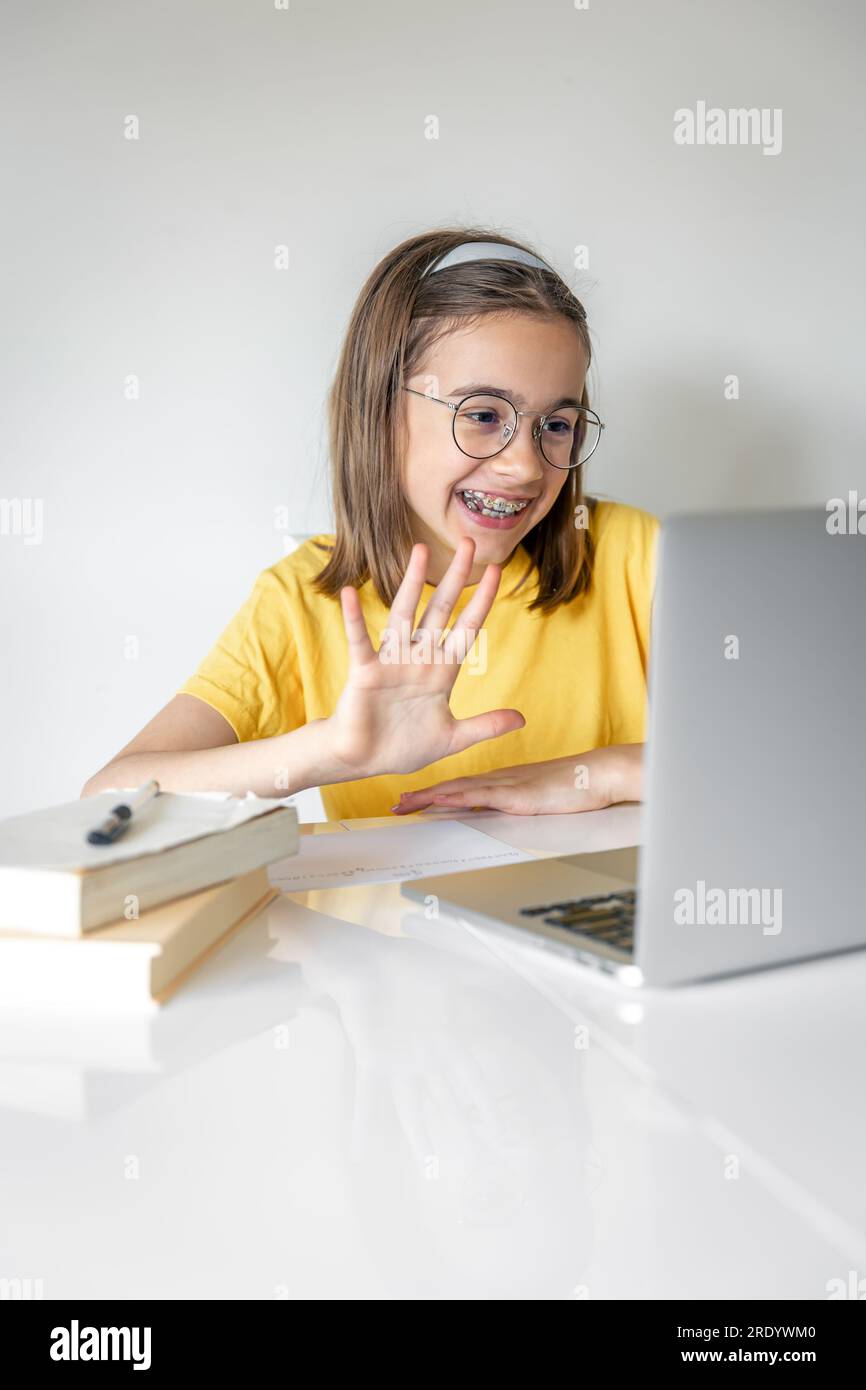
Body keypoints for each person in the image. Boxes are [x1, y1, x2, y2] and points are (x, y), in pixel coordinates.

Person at [82, 229, 658, 818]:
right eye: (483, 415)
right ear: (381, 413)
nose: (524, 466)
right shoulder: (300, 601)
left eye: (557, 424)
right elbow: (109, 799)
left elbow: (756, 751)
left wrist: (605, 773)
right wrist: (332, 751)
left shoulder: (634, 556)